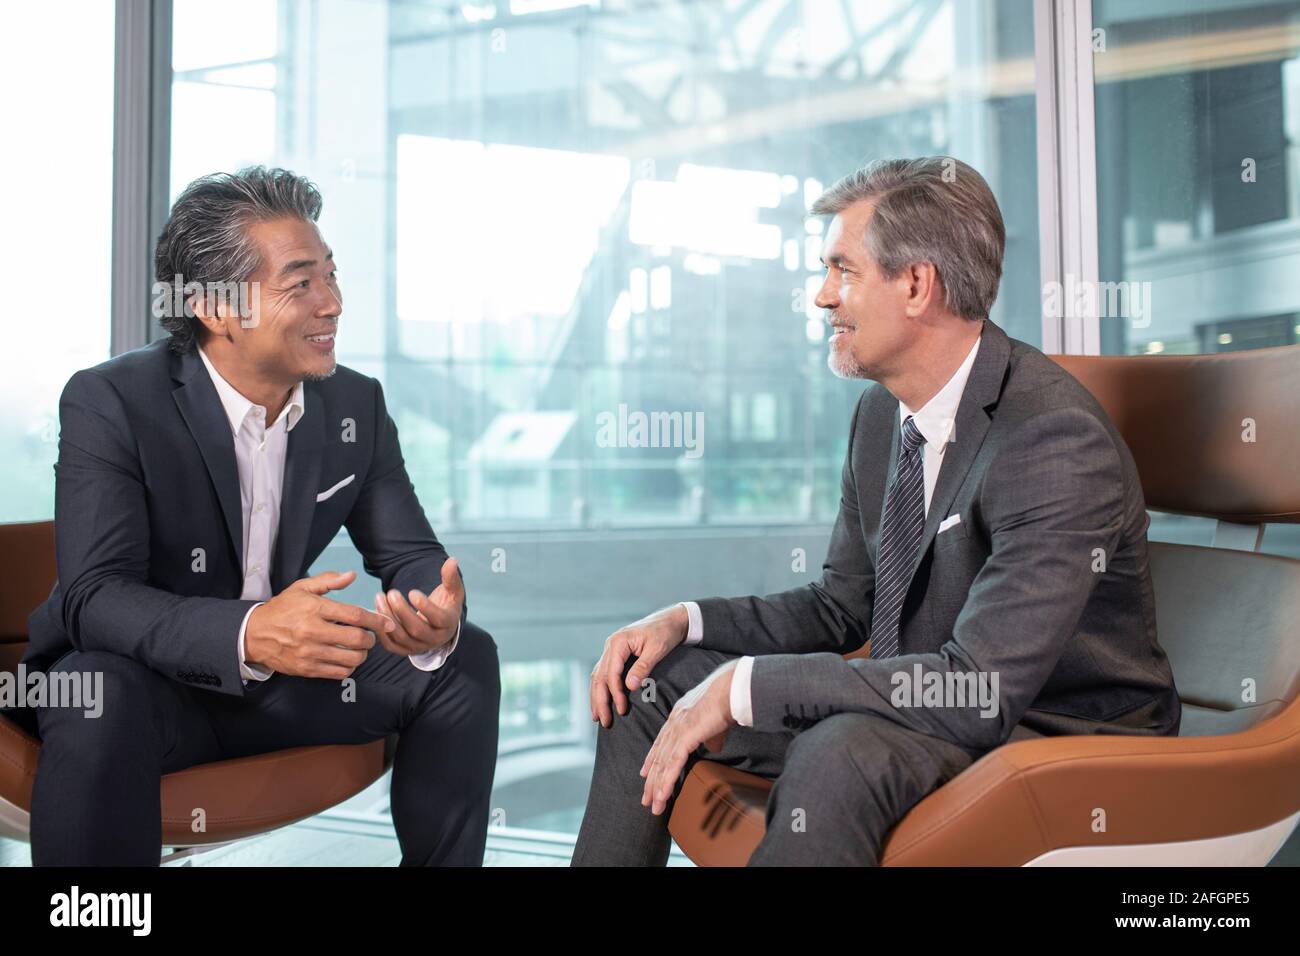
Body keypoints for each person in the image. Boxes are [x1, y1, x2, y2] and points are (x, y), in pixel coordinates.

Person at [573, 157, 1180, 866]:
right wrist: (687, 621)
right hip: (922, 705)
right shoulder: (880, 417)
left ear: (917, 284)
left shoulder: (1050, 439)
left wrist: (749, 684)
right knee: (648, 686)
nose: (821, 297)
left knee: (842, 750)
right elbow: (842, 606)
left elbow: (977, 689)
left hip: (1050, 732)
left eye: (843, 270)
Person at [24, 166, 500, 866]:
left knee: (463, 660)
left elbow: (409, 554)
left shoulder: (353, 406)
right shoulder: (112, 401)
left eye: (331, 277)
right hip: (144, 693)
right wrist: (251, 631)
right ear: (216, 308)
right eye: (300, 283)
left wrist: (433, 610)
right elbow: (95, 598)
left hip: (280, 691)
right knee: (100, 694)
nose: (331, 304)